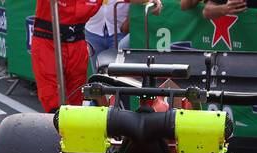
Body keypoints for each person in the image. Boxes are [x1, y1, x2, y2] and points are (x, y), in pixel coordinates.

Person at [31, 0, 162, 112]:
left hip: (77, 44)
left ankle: (75, 135)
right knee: (53, 99)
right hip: (49, 43)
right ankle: (57, 133)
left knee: (75, 98)